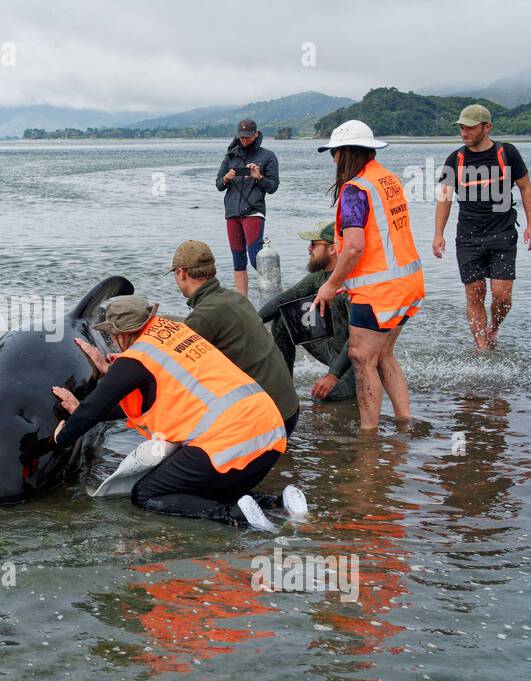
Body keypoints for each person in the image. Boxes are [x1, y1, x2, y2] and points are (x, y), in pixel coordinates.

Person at [51, 296, 304, 528]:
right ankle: (277, 504)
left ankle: (234, 515)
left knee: (146, 493)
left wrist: (62, 438)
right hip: (271, 432)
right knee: (193, 487)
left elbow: (94, 406)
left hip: (234, 442)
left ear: (120, 336)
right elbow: (144, 400)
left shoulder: (135, 360)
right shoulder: (177, 331)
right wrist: (105, 387)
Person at [312, 120, 426, 432]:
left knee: (362, 358)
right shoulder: (386, 179)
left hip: (379, 290)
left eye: (334, 153)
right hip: (407, 283)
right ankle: (405, 422)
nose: (333, 160)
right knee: (385, 354)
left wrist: (331, 285)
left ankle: (368, 436)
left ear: (346, 153)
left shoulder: (355, 189)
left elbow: (353, 248)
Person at [433, 104, 531, 350]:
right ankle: (482, 345)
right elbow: (445, 197)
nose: (464, 133)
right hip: (468, 236)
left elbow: (526, 188)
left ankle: (494, 327)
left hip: (502, 233)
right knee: (475, 292)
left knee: (502, 296)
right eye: (461, 127)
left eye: (469, 128)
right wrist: (438, 234)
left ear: (487, 127)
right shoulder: (456, 159)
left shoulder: (507, 153)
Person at [166, 239, 300, 432]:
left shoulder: (204, 315)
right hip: (289, 409)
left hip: (270, 421)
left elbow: (169, 367)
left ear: (181, 273)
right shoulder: (235, 298)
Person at [258, 222, 356, 402]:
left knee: (323, 397)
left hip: (353, 363)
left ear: (333, 248)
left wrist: (333, 375)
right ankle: (284, 385)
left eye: (314, 244)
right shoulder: (319, 277)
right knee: (283, 319)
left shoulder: (351, 283)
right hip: (330, 349)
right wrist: (251, 324)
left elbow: (358, 338)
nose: (308, 249)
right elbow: (283, 300)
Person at [214, 119, 280, 296]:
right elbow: (219, 184)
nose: (244, 140)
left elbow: (273, 187)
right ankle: (242, 302)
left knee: (255, 257)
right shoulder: (230, 156)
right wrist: (227, 178)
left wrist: (258, 177)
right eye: (241, 137)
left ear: (256, 134)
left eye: (248, 137)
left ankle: (272, 294)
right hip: (232, 213)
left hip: (253, 212)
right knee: (238, 260)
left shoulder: (267, 156)